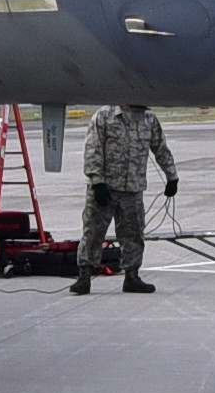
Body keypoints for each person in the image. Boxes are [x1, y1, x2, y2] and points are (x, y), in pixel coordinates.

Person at [72, 100, 170, 293]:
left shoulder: (148, 118)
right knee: (93, 233)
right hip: (104, 188)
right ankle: (84, 276)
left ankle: (132, 277)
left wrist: (172, 176)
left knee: (134, 235)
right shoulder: (103, 115)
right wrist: (97, 181)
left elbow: (160, 148)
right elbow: (93, 149)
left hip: (132, 189)